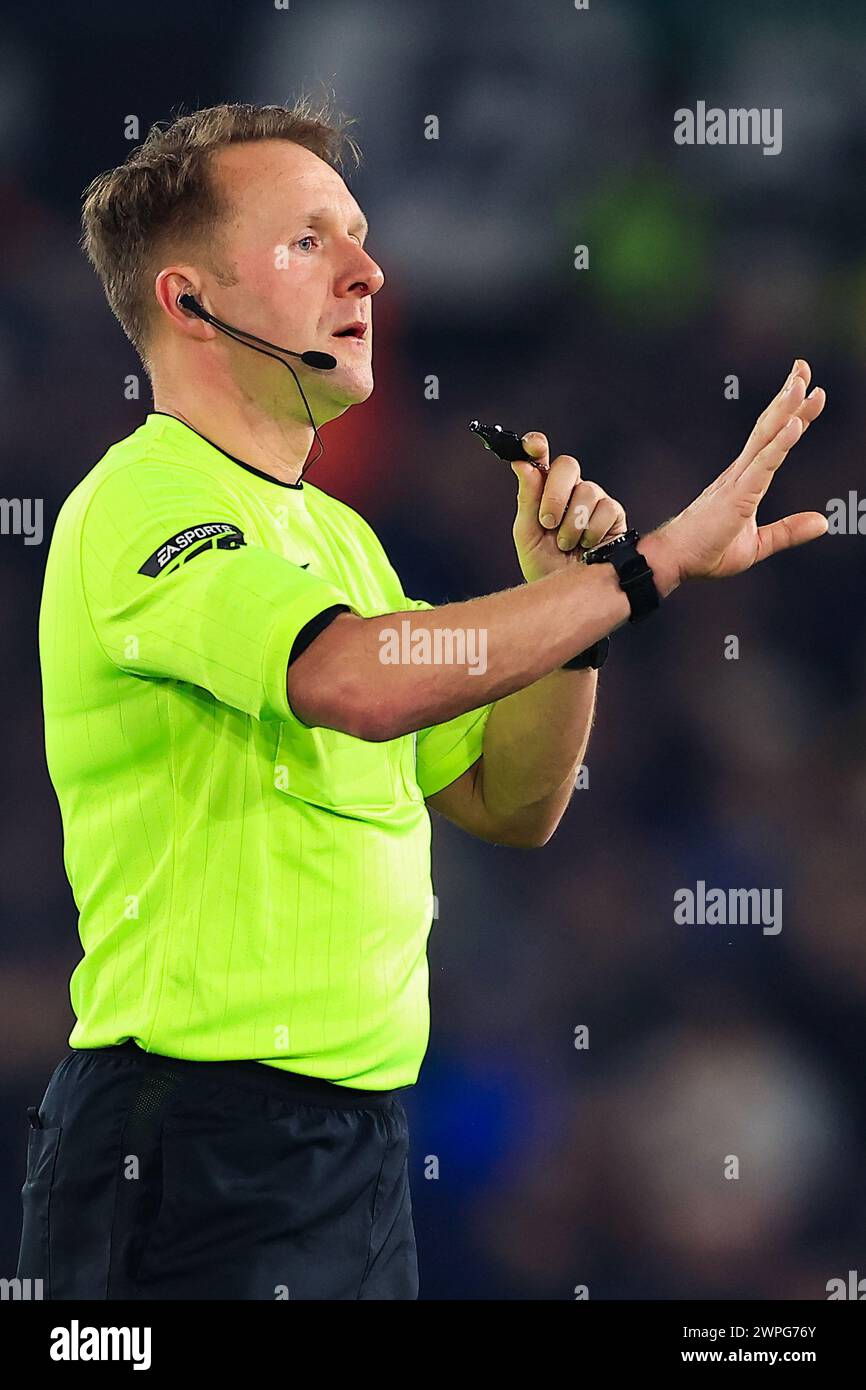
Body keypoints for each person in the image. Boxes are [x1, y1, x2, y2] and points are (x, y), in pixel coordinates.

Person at [17, 97, 826, 1301]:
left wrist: (560, 614)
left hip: (353, 1152)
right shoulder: (138, 501)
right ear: (187, 299)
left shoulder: (341, 541)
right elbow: (349, 679)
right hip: (188, 1143)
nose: (368, 268)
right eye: (308, 242)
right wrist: (641, 571)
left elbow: (509, 800)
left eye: (357, 232)